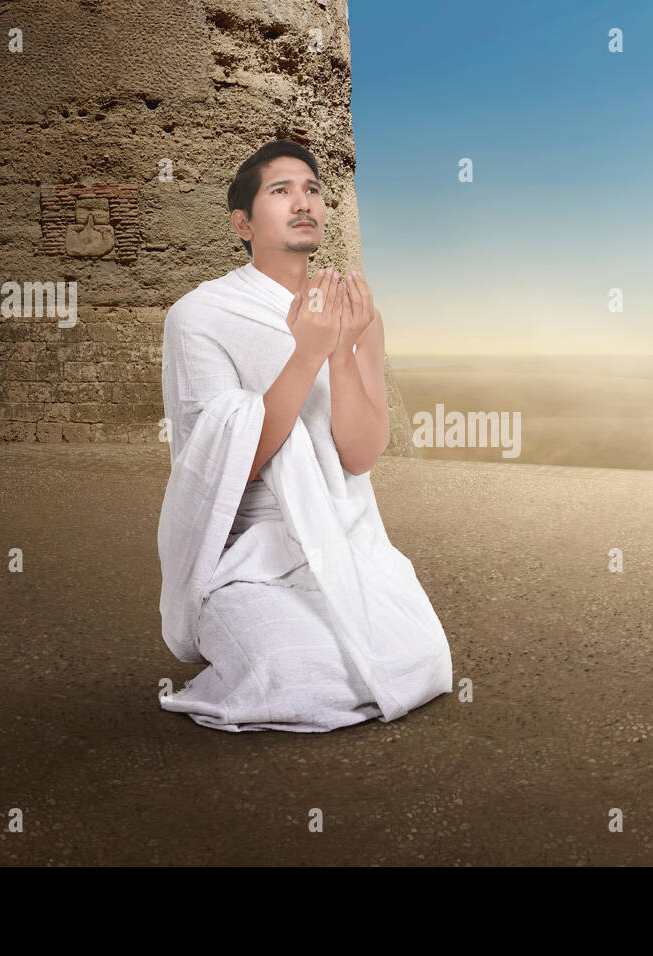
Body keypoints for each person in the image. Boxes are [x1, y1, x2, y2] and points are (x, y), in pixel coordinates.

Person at [155, 139, 453, 732]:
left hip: (342, 535)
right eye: (281, 191)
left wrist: (341, 350)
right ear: (242, 223)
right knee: (294, 674)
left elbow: (360, 455)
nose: (303, 202)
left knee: (424, 661)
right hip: (247, 550)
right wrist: (306, 351)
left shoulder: (355, 309)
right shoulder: (200, 314)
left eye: (312, 190)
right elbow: (229, 459)